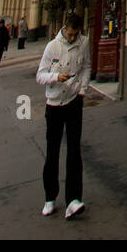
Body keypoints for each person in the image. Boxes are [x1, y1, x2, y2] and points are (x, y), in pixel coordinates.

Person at [36, 11, 91, 219]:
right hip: (54, 103)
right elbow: (39, 75)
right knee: (52, 151)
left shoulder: (83, 43)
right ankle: (50, 197)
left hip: (74, 102)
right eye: (69, 34)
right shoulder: (52, 46)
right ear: (63, 29)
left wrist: (83, 89)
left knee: (75, 151)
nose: (71, 38)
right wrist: (55, 77)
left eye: (74, 34)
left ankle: (74, 199)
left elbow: (86, 67)